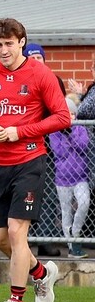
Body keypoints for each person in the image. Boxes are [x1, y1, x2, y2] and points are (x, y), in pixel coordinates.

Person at [0, 18, 68, 302]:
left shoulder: (40, 73)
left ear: (21, 42)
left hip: (30, 160)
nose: (3, 50)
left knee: (16, 231)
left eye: (9, 44)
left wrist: (19, 132)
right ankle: (40, 273)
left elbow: (63, 116)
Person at [50, 99, 90, 258]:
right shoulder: (54, 132)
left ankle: (76, 232)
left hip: (80, 177)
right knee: (66, 211)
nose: (71, 117)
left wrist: (71, 133)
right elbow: (60, 152)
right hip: (62, 179)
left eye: (73, 113)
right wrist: (64, 133)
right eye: (67, 114)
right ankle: (72, 247)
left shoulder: (80, 128)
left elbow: (82, 146)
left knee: (84, 203)